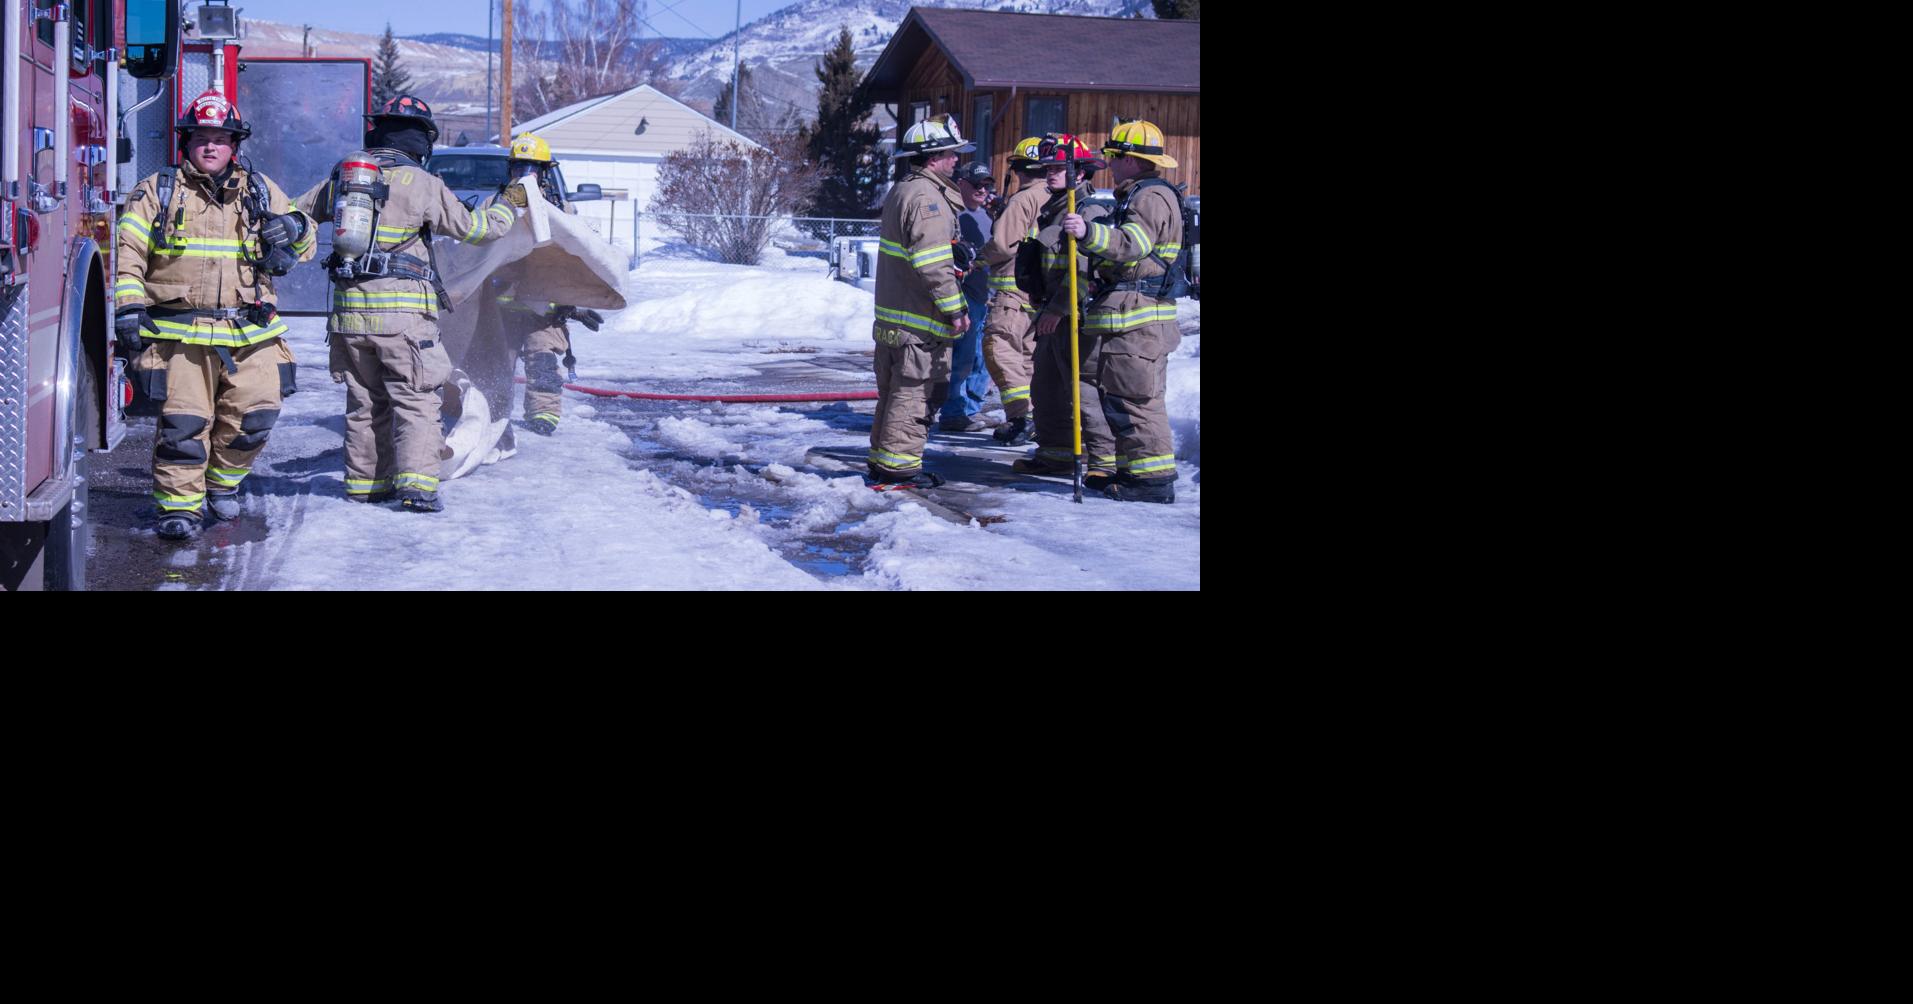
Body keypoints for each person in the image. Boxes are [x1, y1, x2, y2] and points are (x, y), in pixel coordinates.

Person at [296, 94, 519, 512]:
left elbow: (294, 214)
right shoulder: (424, 184)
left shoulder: (346, 178)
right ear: (422, 142)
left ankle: (366, 486)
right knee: (416, 399)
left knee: (365, 400)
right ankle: (417, 488)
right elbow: (477, 231)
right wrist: (508, 205)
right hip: (402, 319)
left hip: (348, 317)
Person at [115, 90, 317, 541]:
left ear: (234, 145)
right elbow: (127, 253)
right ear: (186, 143)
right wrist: (128, 308)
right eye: (201, 137)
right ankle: (179, 509)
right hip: (180, 333)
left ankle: (222, 482)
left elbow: (307, 242)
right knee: (184, 426)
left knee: (257, 414)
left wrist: (295, 229)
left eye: (220, 138)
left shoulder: (260, 189)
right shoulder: (156, 191)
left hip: (250, 330)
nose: (210, 146)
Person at [1056, 120, 1185, 504]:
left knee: (1137, 401)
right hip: (1137, 314)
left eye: (1113, 157)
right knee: (1127, 396)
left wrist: (1087, 233)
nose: (1110, 164)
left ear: (1131, 160)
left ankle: (1152, 481)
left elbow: (1132, 245)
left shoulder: (1149, 197)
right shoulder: (1144, 194)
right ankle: (1133, 473)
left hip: (1139, 318)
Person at [867, 113, 972, 487]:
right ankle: (898, 471)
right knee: (915, 397)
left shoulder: (904, 188)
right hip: (918, 323)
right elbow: (932, 262)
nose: (957, 160)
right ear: (933, 157)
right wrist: (955, 307)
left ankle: (884, 462)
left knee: (894, 396)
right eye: (951, 153)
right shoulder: (928, 198)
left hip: (897, 321)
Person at [1009, 135, 1119, 484]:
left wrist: (1058, 308)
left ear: (1081, 173)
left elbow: (1083, 271)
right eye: (1048, 168)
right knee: (1046, 388)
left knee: (1083, 389)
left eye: (1059, 168)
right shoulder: (1053, 208)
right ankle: (1054, 454)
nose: (1051, 174)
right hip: (1049, 315)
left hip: (1076, 317)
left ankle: (1103, 460)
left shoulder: (1088, 212)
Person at [486, 133, 602, 438]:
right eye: (518, 169)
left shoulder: (561, 212)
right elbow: (477, 252)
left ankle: (544, 414)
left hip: (546, 309)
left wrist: (576, 303)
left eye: (532, 169)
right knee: (497, 364)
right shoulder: (495, 206)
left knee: (543, 360)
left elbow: (575, 260)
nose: (524, 177)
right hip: (502, 305)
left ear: (544, 172)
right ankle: (491, 415)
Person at [977, 136, 1052, 447]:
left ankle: (1022, 418)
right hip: (1038, 297)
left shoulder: (1022, 200)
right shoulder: (1054, 196)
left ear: (1018, 169)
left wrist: (975, 258)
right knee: (1026, 358)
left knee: (999, 350)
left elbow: (1002, 244)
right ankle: (1035, 417)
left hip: (1011, 294)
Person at [935, 160, 998, 433]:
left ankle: (971, 409)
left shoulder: (988, 216)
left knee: (982, 359)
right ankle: (952, 412)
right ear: (960, 184)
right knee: (963, 357)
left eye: (987, 185)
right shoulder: (952, 216)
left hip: (987, 298)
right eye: (977, 185)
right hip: (964, 297)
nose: (982, 190)